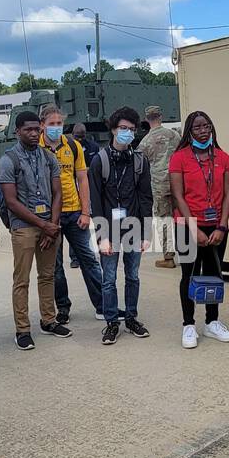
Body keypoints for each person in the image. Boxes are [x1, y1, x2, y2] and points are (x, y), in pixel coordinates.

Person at [0, 110, 65, 349]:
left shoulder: (48, 158)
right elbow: (11, 201)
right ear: (17, 131)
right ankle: (22, 329)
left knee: (47, 276)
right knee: (22, 280)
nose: (35, 133)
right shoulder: (9, 159)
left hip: (49, 225)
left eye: (37, 129)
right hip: (25, 226)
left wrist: (52, 226)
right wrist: (43, 225)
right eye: (29, 129)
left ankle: (49, 320)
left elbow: (58, 193)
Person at [169, 110, 229, 348]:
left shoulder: (223, 157)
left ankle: (212, 322)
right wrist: (193, 227)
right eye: (197, 127)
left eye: (206, 126)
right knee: (189, 274)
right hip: (187, 225)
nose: (203, 130)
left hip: (216, 225)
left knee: (213, 274)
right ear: (189, 131)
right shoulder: (179, 158)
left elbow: (228, 195)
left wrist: (222, 225)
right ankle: (188, 325)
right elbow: (177, 196)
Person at [89, 107, 152, 344]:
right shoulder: (100, 161)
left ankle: (132, 317)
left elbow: (146, 198)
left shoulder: (139, 161)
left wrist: (146, 232)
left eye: (132, 129)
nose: (127, 133)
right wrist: (102, 236)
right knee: (108, 278)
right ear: (114, 129)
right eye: (123, 128)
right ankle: (112, 321)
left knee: (133, 275)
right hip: (109, 229)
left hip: (134, 226)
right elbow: (95, 200)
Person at [43, 107, 104, 323]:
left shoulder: (73, 146)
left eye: (59, 123)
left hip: (74, 212)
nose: (56, 127)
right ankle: (63, 308)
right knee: (56, 266)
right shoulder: (37, 148)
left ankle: (102, 304)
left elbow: (83, 179)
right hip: (50, 218)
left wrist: (86, 212)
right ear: (42, 125)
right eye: (52, 123)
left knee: (88, 259)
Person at [138, 104, 181, 268]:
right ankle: (187, 251)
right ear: (161, 116)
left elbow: (140, 166)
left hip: (159, 185)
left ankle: (168, 257)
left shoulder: (145, 142)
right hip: (177, 183)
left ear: (146, 119)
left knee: (164, 220)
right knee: (182, 217)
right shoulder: (174, 135)